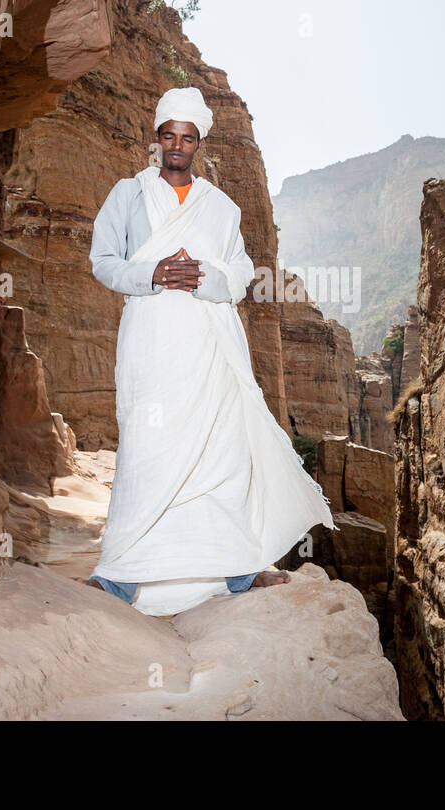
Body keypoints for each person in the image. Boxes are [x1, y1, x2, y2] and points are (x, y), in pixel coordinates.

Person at [76, 87, 336, 616]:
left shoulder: (220, 208)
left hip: (208, 345)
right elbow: (103, 261)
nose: (177, 145)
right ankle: (119, 575)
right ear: (157, 138)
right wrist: (152, 272)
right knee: (149, 452)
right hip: (149, 341)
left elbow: (240, 275)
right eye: (168, 135)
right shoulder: (127, 194)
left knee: (219, 453)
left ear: (199, 143)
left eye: (187, 137)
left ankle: (238, 567)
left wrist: (203, 279)